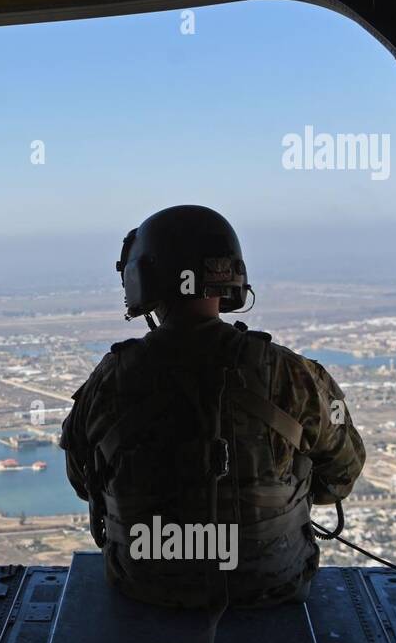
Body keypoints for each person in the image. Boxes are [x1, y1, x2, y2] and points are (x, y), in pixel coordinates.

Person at [60, 205, 366, 612]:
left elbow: (84, 482)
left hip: (146, 585)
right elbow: (341, 474)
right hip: (273, 585)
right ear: (232, 278)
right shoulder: (293, 374)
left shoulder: (110, 379)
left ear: (142, 280)